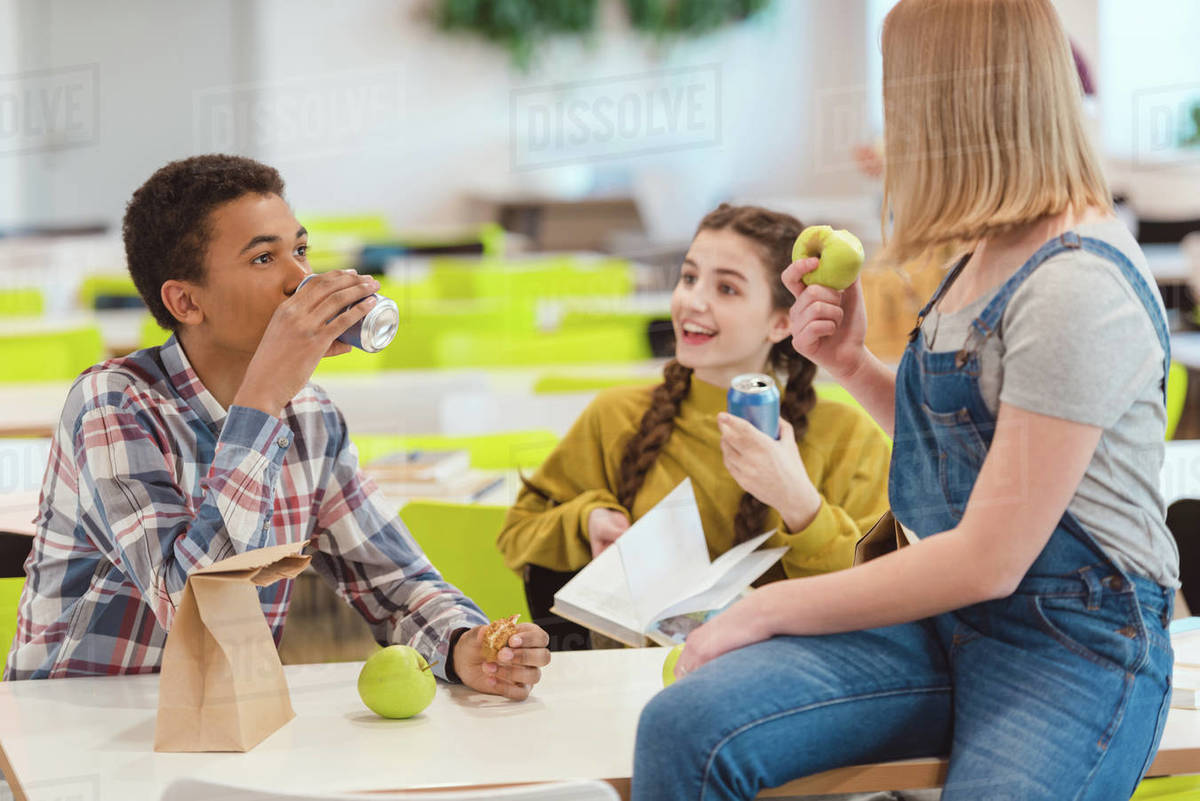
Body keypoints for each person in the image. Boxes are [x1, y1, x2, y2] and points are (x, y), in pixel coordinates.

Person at [633, 1, 1178, 799]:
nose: (892, 123)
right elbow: (970, 457)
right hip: (948, 618)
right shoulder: (988, 250)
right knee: (685, 725)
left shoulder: (1074, 283)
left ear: (957, 101)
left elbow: (991, 555)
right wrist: (852, 364)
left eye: (903, 94)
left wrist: (765, 611)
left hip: (1072, 642)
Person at [5, 155, 549, 700]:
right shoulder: (113, 403)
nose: (300, 280)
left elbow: (396, 584)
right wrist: (262, 398)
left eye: (301, 250)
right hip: (72, 729)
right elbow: (193, 608)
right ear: (186, 301)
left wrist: (462, 644)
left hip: (226, 719)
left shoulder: (309, 416)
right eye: (264, 257)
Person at [497, 204, 891, 643]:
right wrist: (585, 522)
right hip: (632, 686)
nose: (692, 301)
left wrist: (801, 505)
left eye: (726, 288)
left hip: (785, 686)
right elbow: (517, 537)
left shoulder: (851, 435)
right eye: (688, 278)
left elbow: (880, 596)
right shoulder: (615, 416)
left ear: (782, 322)